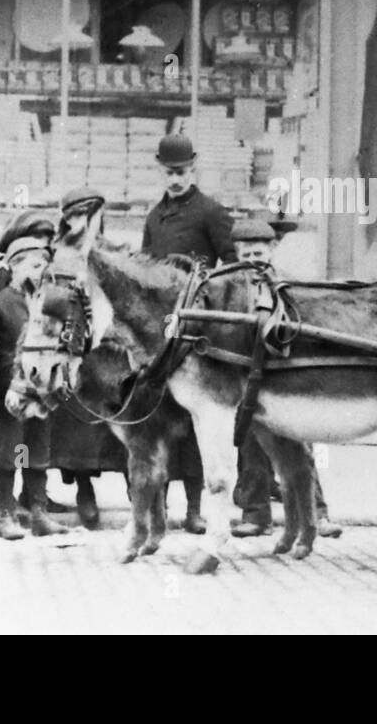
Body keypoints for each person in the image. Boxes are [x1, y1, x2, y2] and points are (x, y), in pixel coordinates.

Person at [140, 134, 238, 535]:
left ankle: (196, 509)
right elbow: (146, 268)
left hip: (200, 331)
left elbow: (233, 267)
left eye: (181, 172)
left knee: (200, 418)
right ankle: (157, 506)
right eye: (169, 173)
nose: (175, 179)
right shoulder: (153, 217)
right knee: (159, 418)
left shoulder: (210, 212)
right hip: (162, 332)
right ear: (160, 171)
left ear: (193, 169)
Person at [227, 216, 341, 540]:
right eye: (246, 255)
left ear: (272, 249)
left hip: (285, 380)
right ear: (237, 254)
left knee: (301, 446)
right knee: (250, 448)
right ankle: (255, 515)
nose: (253, 261)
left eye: (259, 254)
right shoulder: (231, 288)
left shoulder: (287, 285)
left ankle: (318, 513)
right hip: (247, 379)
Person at [45, 189, 129, 528]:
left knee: (121, 419)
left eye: (88, 216)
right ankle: (83, 490)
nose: (81, 223)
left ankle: (136, 491)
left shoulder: (111, 253)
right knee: (74, 428)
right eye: (75, 216)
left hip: (108, 349)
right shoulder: (57, 254)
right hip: (73, 348)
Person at [0, 232, 69, 540]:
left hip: (43, 388)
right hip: (11, 389)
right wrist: (3, 381)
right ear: (13, 266)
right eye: (34, 265)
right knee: (12, 447)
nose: (41, 272)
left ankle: (38, 512)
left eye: (44, 265)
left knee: (37, 447)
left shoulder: (48, 304)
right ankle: (7, 514)